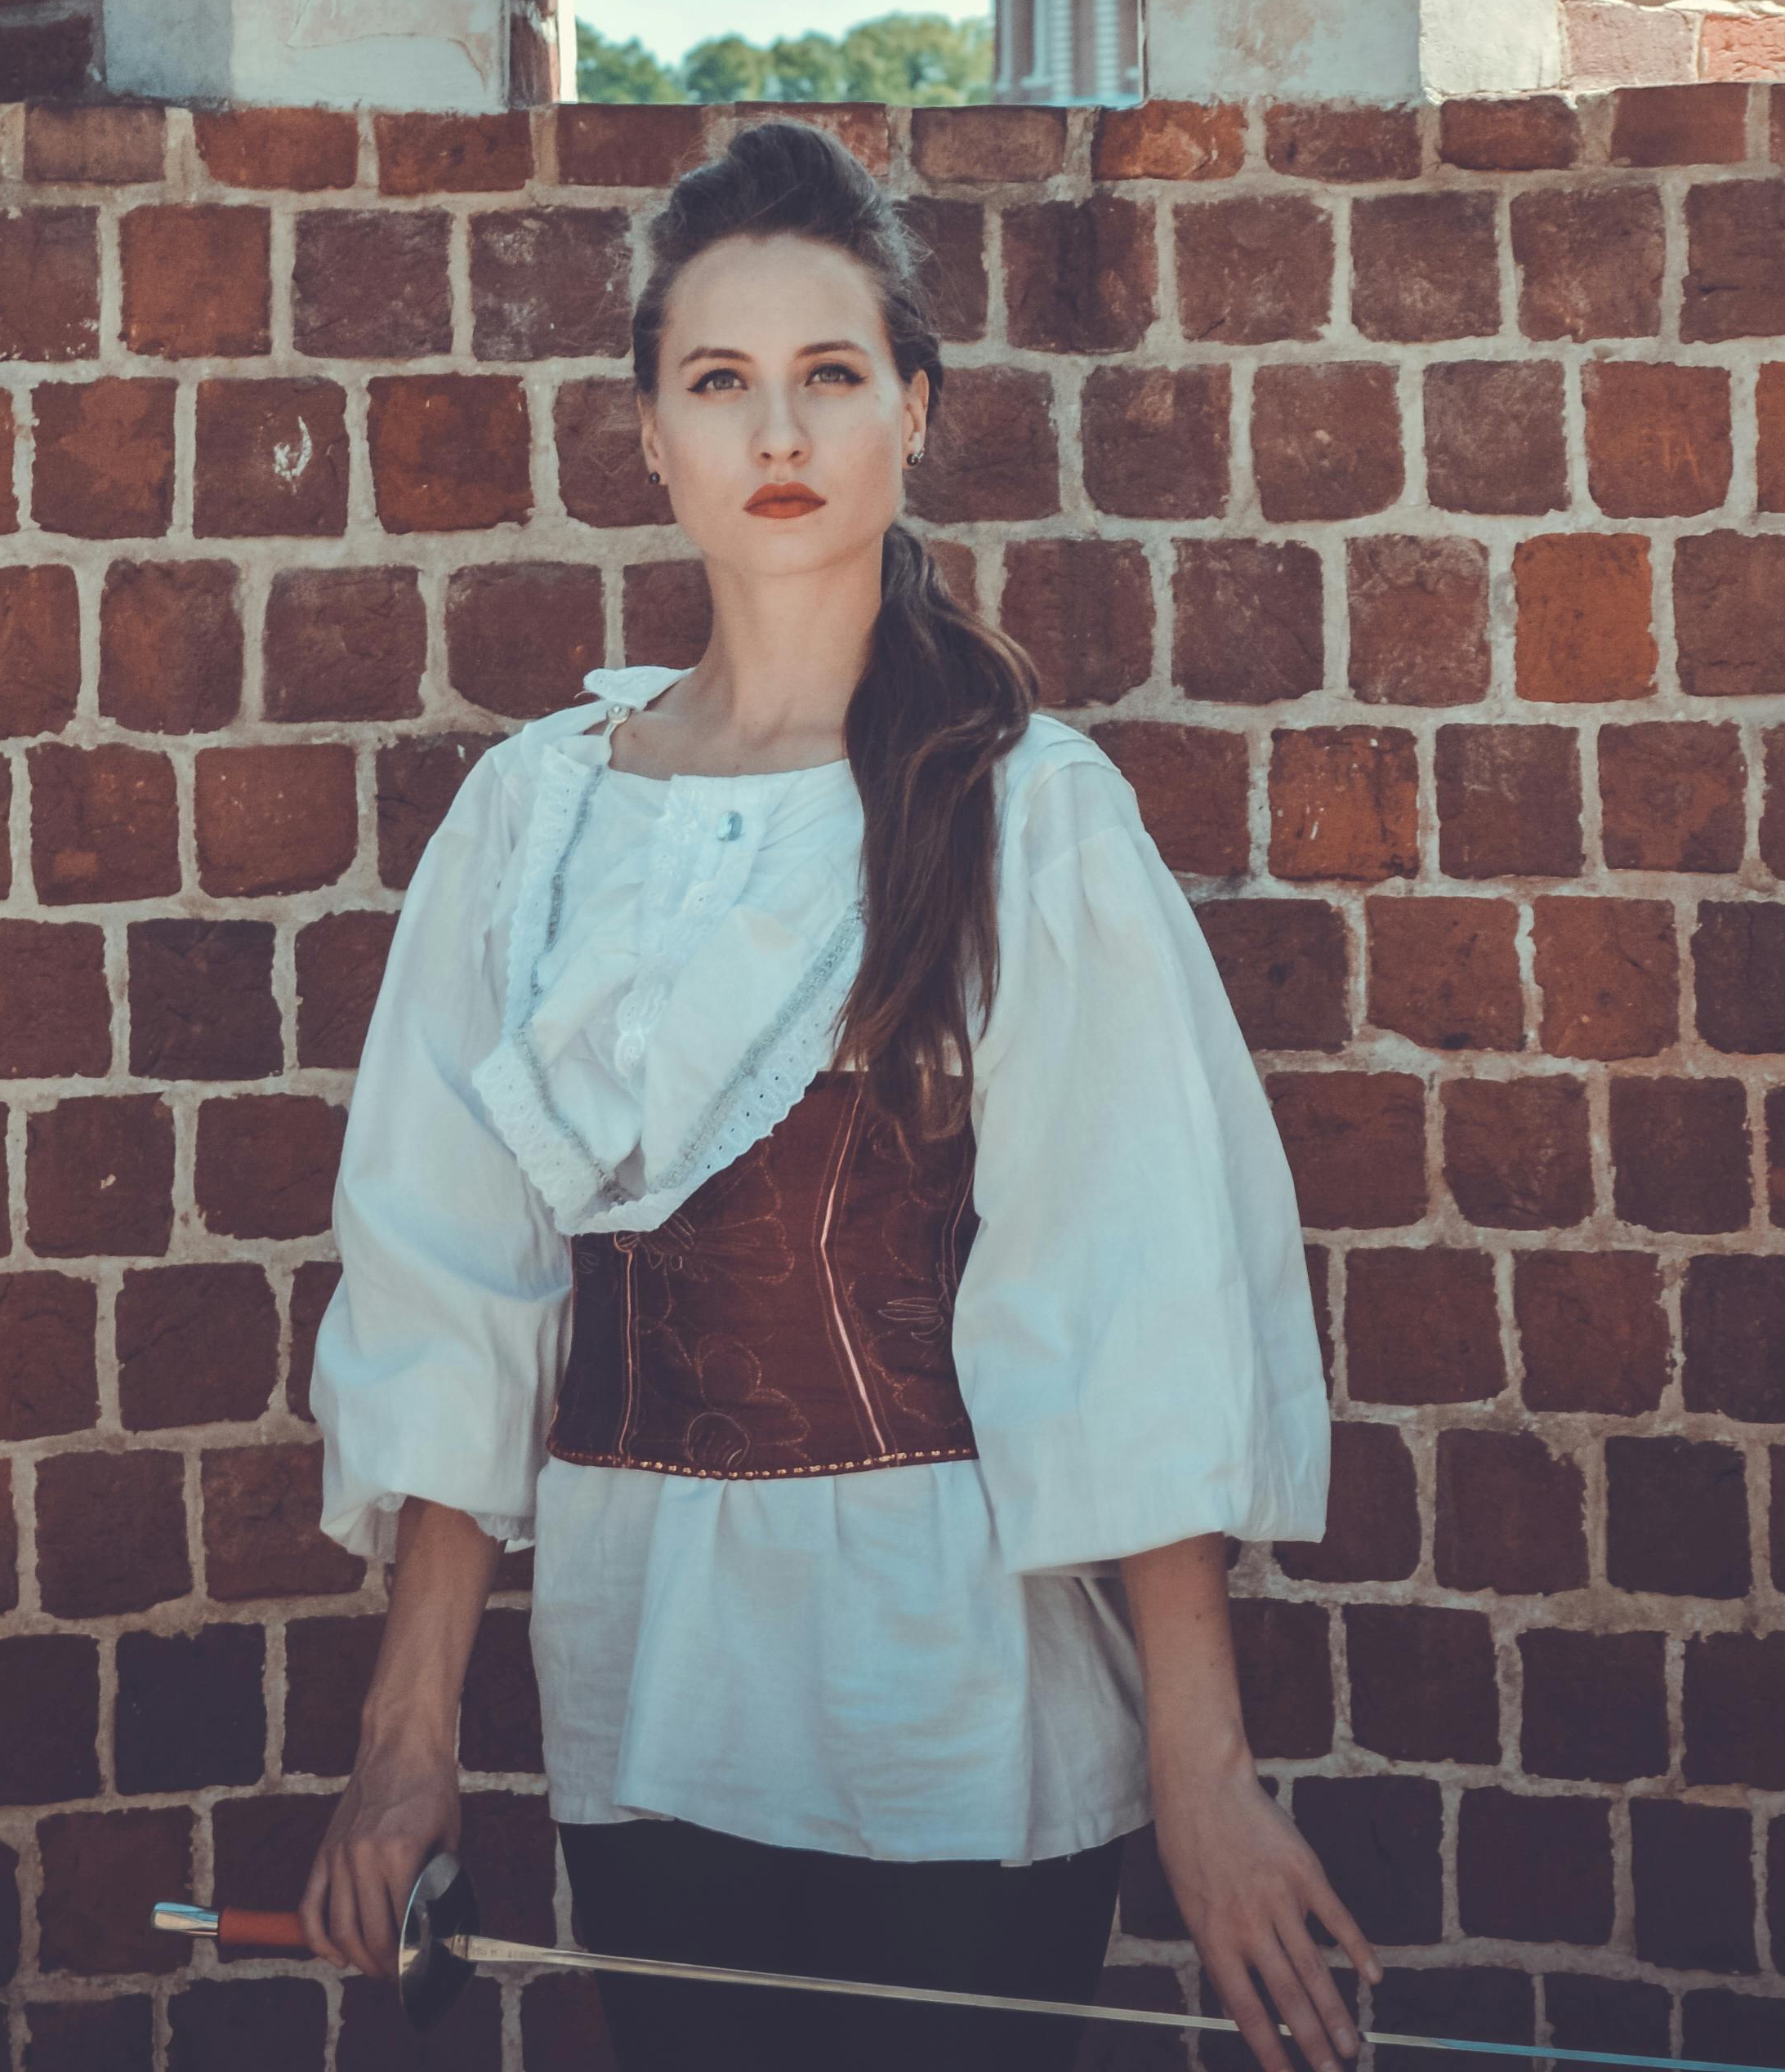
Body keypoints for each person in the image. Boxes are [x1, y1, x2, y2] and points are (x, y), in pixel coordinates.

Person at [303, 117, 1380, 2068]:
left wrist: (1202, 1778)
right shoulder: (532, 822)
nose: (773, 428)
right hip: (646, 1701)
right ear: (647, 430)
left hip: (951, 1720)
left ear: (912, 409)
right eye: (717, 378)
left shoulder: (1016, 811)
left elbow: (1124, 1308)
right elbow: (452, 1292)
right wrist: (407, 1741)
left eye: (827, 373)